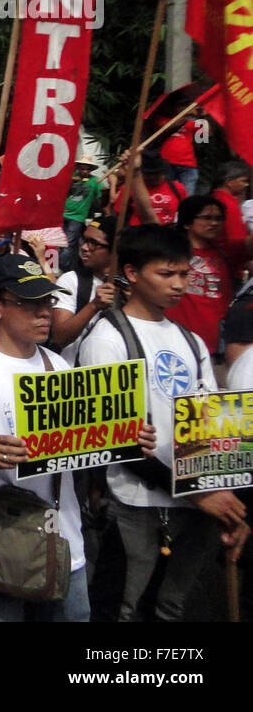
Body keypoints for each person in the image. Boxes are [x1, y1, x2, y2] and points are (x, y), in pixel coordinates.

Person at [0, 255, 154, 621]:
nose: (44, 312)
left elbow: (86, 445)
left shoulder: (58, 366)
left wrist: (127, 437)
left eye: (48, 302)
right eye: (30, 304)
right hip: (1, 541)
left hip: (64, 540)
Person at [78, 224, 248, 622]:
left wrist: (231, 506)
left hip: (195, 504)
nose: (178, 285)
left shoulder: (191, 341)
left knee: (170, 609)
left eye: (185, 274)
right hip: (136, 503)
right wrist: (199, 495)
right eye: (166, 274)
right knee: (124, 609)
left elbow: (214, 429)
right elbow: (113, 441)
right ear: (133, 274)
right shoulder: (106, 340)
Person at [170, 195, 233, 359]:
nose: (214, 223)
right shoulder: (169, 253)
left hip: (214, 348)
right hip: (177, 343)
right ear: (187, 222)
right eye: (207, 218)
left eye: (218, 218)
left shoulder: (225, 254)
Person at [50, 216, 117, 352]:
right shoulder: (71, 281)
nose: (84, 248)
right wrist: (94, 306)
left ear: (115, 249)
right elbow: (59, 338)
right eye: (84, 240)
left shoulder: (132, 287)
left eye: (93, 243)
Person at [60, 157, 105, 270]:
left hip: (77, 217)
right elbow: (56, 188)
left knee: (68, 243)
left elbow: (104, 193)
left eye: (87, 169)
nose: (84, 171)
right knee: (58, 241)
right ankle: (60, 266)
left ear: (91, 170)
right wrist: (70, 181)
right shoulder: (70, 177)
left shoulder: (95, 181)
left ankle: (62, 268)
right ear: (78, 167)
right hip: (62, 214)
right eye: (82, 168)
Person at [211, 159, 252, 282]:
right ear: (229, 181)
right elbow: (236, 241)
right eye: (243, 181)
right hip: (230, 270)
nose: (246, 185)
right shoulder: (227, 205)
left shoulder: (217, 199)